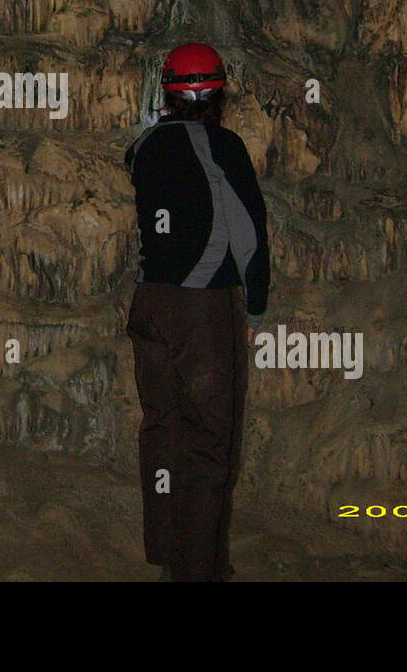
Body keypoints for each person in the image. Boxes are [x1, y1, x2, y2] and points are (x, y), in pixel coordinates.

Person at [124, 42, 270, 582]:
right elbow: (250, 235)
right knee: (211, 443)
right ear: (219, 93)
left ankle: (166, 547)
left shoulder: (143, 146)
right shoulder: (223, 145)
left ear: (168, 91)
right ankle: (198, 570)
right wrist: (254, 309)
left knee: (163, 428)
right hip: (202, 308)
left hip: (150, 302)